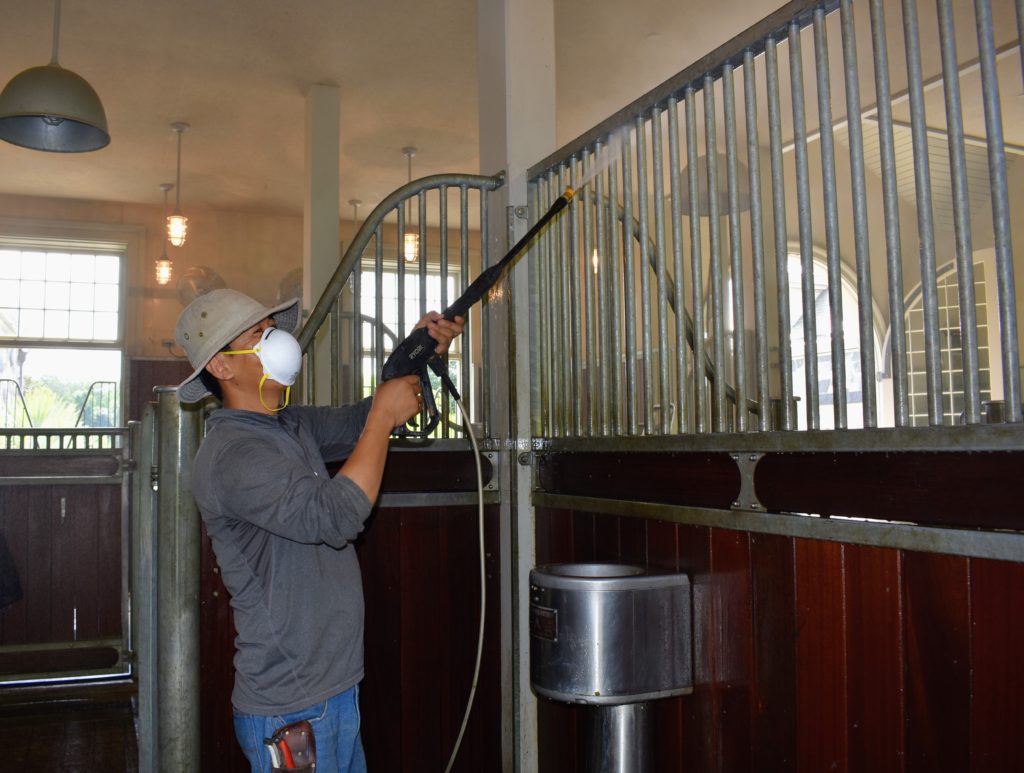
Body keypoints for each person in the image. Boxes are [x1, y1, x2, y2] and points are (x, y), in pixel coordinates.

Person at [174, 288, 463, 773]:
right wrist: (382, 417)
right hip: (291, 704)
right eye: (257, 334)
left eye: (272, 329)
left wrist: (418, 352)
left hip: (334, 685)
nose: (275, 340)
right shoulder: (233, 454)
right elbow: (335, 517)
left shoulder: (290, 425)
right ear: (221, 367)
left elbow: (366, 417)